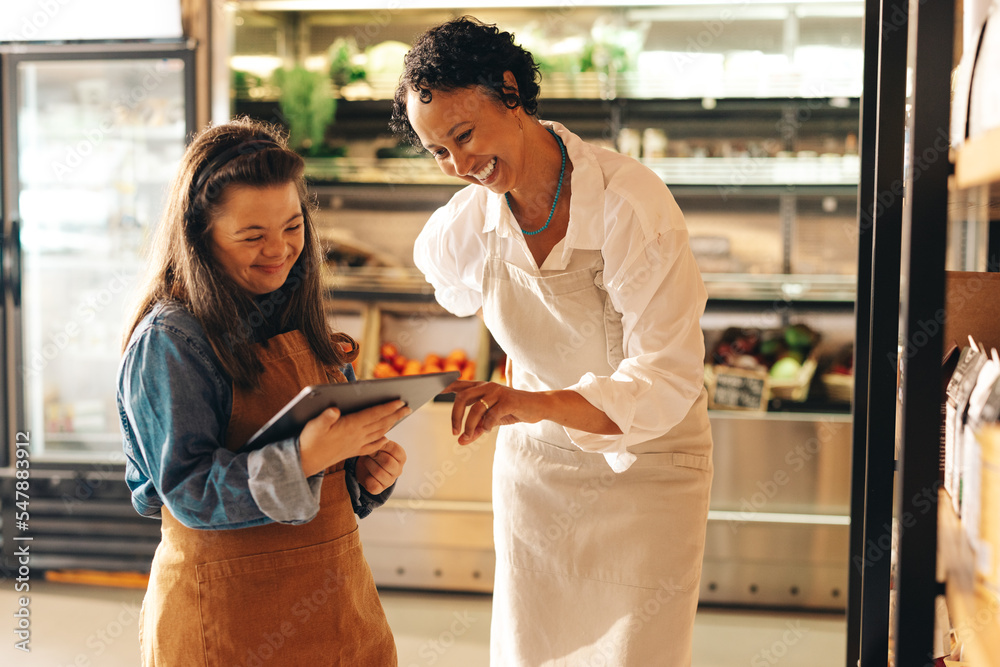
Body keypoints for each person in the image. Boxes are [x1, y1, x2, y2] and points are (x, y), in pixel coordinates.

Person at [390, 16, 714, 666]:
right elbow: (450, 286)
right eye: (438, 152)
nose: (459, 165)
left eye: (463, 135)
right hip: (538, 477)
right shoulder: (469, 224)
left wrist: (527, 401)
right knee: (530, 652)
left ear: (510, 92)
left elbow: (668, 378)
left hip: (648, 475)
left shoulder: (628, 204)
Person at [117, 118, 408, 666]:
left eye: (293, 226)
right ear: (200, 236)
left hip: (339, 609)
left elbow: (327, 485)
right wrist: (304, 459)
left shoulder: (298, 314)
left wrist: (362, 473)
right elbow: (190, 490)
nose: (279, 250)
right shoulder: (171, 341)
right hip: (225, 625)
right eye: (252, 236)